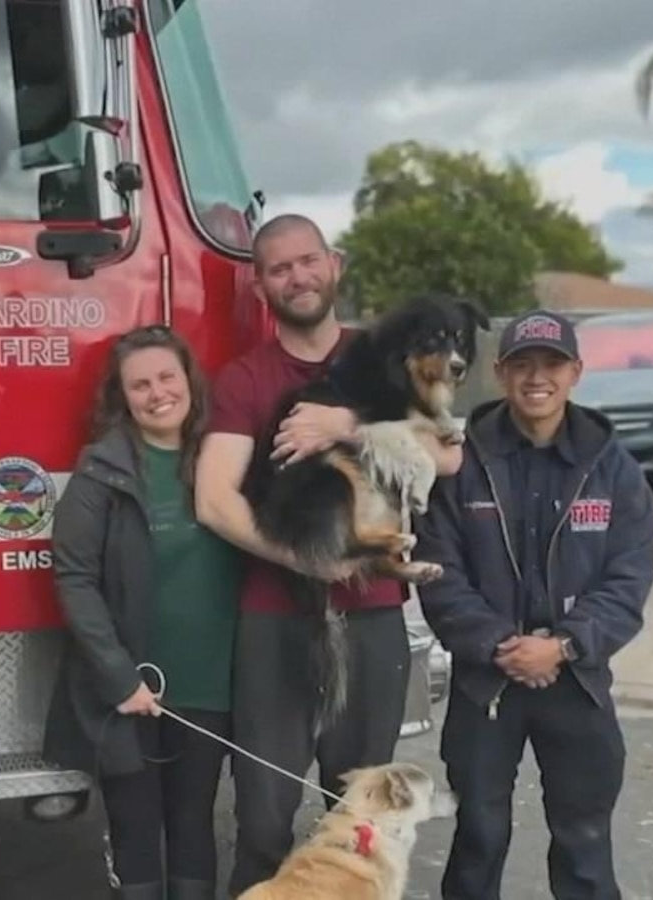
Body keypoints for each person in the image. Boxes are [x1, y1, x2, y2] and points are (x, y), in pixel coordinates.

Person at [193, 213, 464, 897]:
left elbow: (448, 456)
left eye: (308, 260)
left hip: (374, 614)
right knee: (263, 822)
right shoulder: (245, 378)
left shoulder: (385, 355)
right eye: (280, 268)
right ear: (261, 286)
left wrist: (346, 424)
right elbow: (214, 500)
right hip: (276, 616)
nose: (298, 277)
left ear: (334, 264)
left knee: (363, 818)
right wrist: (303, 559)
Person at [413, 309, 653, 900]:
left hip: (576, 678)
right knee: (478, 834)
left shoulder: (611, 466)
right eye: (522, 364)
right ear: (500, 372)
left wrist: (565, 644)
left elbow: (630, 575)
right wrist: (501, 645)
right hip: (485, 683)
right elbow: (438, 570)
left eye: (552, 364)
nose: (537, 378)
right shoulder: (461, 461)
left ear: (576, 372)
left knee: (583, 841)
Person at [42, 325, 242, 900]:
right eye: (140, 385)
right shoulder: (100, 470)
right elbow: (75, 578)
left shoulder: (223, 459)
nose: (157, 394)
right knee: (135, 833)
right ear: (122, 396)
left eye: (166, 378)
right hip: (131, 693)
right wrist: (119, 677)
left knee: (195, 825)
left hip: (210, 686)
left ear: (189, 381)